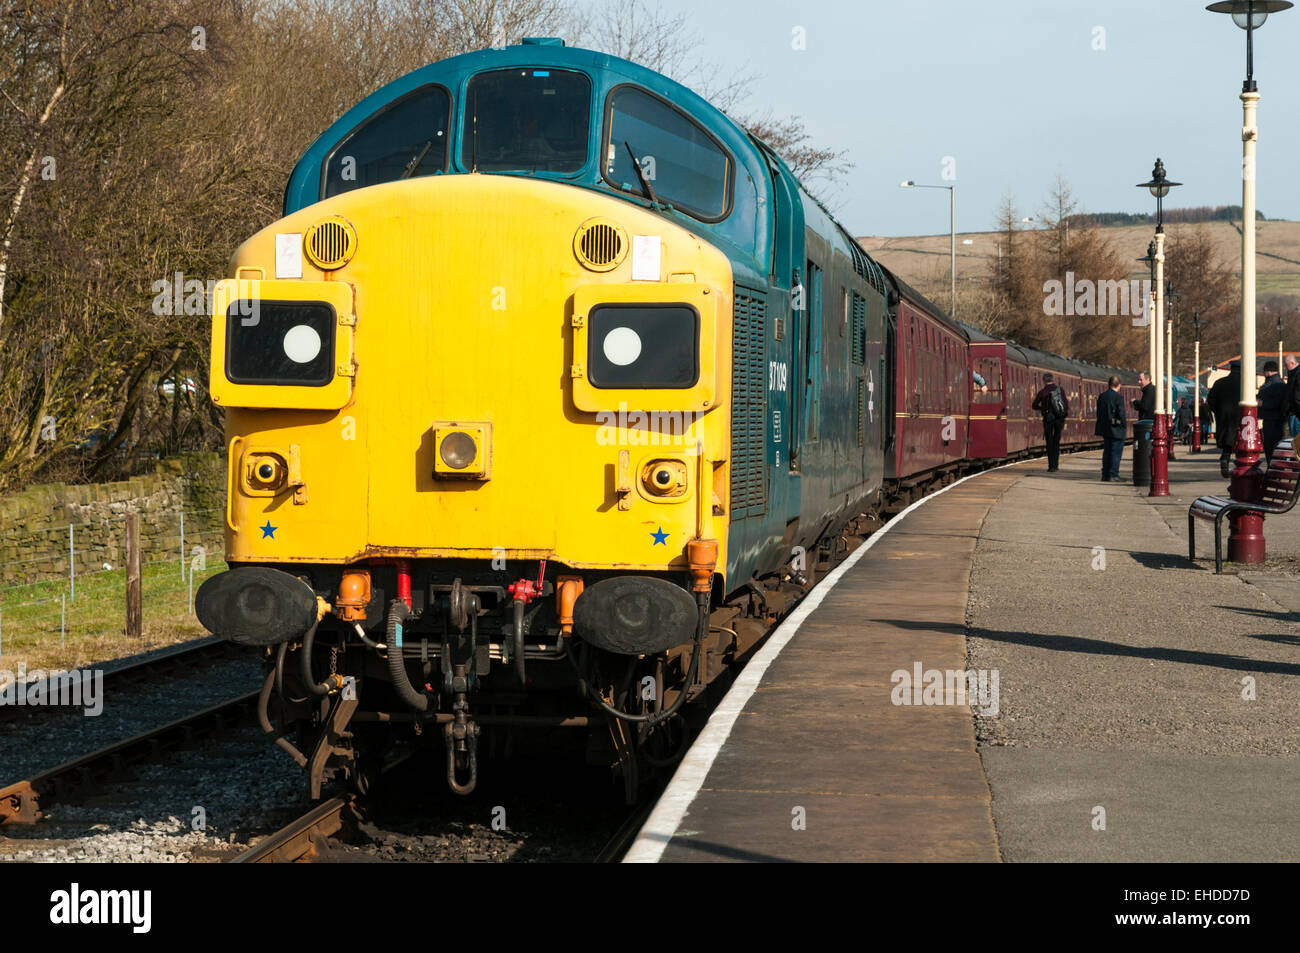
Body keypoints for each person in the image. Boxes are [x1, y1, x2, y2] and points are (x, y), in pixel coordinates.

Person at [1210, 361, 1242, 478]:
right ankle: (1239, 466)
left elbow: (1211, 401)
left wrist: (1218, 411)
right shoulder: (1245, 384)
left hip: (1223, 417)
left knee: (1226, 442)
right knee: (1239, 441)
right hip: (1239, 417)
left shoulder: (1219, 383)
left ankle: (1225, 458)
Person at [1031, 372, 1068, 472]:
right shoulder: (1060, 390)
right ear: (1052, 380)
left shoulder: (1042, 392)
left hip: (1048, 419)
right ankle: (1056, 465)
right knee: (1056, 442)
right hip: (1059, 419)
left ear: (1044, 381)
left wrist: (1043, 409)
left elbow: (1034, 405)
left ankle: (1051, 466)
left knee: (1049, 442)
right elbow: (1066, 404)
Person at [1096, 375, 1127, 481]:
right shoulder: (1118, 398)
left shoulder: (1102, 396)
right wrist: (1123, 425)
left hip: (1105, 428)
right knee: (1116, 452)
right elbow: (1121, 414)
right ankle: (1113, 474)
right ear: (1119, 385)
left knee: (1107, 451)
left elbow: (1098, 413)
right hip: (1116, 428)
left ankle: (1105, 474)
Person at [1258, 360, 1285, 463]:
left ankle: (1274, 468)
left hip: (1272, 419)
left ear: (1268, 372)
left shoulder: (1275, 384)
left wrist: (1262, 404)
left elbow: (1277, 403)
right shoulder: (1275, 383)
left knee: (1271, 446)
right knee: (1273, 446)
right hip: (1273, 419)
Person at [1285, 355, 1300, 439]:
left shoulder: (1296, 374)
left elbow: (1296, 396)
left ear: (1292, 363)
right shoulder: (1293, 373)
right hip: (1293, 412)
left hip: (1296, 413)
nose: (1285, 367)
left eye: (1286, 365)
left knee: (1296, 439)